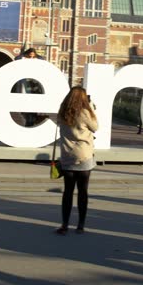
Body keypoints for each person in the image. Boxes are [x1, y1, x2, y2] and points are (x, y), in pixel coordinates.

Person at [55, 86, 98, 235]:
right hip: (84, 156)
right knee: (83, 192)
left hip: (67, 156)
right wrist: (91, 107)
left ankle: (65, 224)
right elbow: (95, 127)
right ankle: (80, 225)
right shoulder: (85, 112)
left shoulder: (63, 112)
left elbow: (58, 123)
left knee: (67, 191)